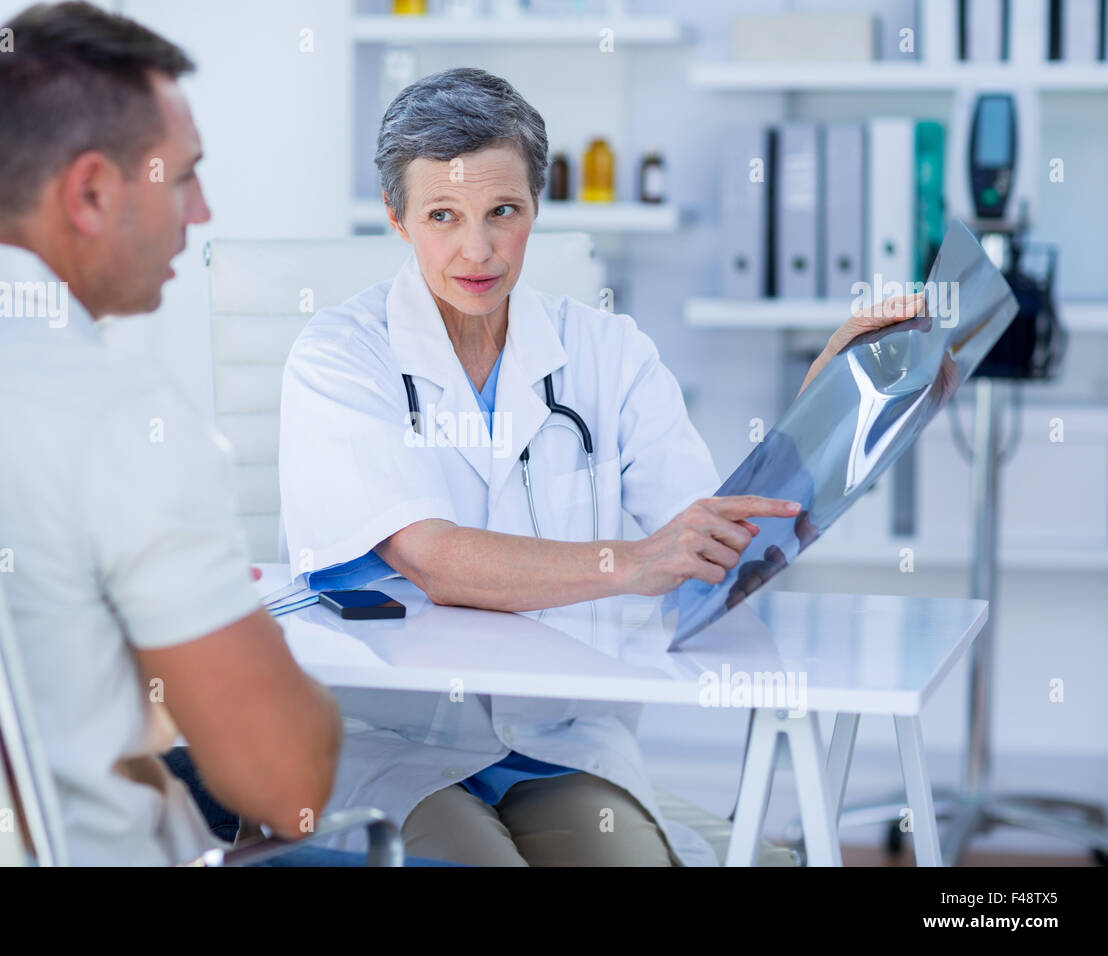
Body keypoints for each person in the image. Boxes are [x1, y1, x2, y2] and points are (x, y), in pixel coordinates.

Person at [278, 67, 921, 866]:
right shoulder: (340, 358)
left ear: (536, 207)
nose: (476, 250)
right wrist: (637, 562)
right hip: (385, 740)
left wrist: (824, 407)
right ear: (396, 217)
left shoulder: (606, 352)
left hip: (555, 739)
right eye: (443, 216)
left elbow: (715, 543)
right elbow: (433, 561)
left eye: (502, 212)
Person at [0, 1, 348, 866]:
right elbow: (290, 785)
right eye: (183, 178)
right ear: (92, 192)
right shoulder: (116, 413)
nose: (200, 212)